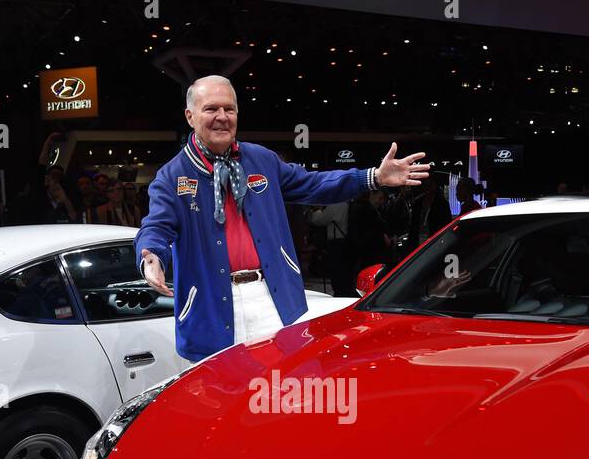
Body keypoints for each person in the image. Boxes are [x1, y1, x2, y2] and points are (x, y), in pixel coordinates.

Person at [136, 74, 428, 362]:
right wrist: (151, 256)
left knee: (284, 391)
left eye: (229, 109)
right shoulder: (172, 176)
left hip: (271, 297)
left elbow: (314, 184)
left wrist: (373, 177)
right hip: (211, 306)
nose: (222, 117)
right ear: (190, 116)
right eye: (211, 109)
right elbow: (156, 226)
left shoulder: (262, 160)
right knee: (221, 400)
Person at [309, 200, 354, 296]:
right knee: (345, 273)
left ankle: (340, 294)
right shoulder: (349, 203)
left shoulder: (336, 204)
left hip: (337, 243)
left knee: (337, 273)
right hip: (347, 242)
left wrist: (317, 210)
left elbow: (319, 220)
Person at [408, 173, 450, 248]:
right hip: (418, 242)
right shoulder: (418, 203)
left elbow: (446, 224)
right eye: (426, 185)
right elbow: (413, 226)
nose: (428, 188)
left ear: (435, 185)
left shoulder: (442, 203)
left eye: (430, 185)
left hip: (435, 242)